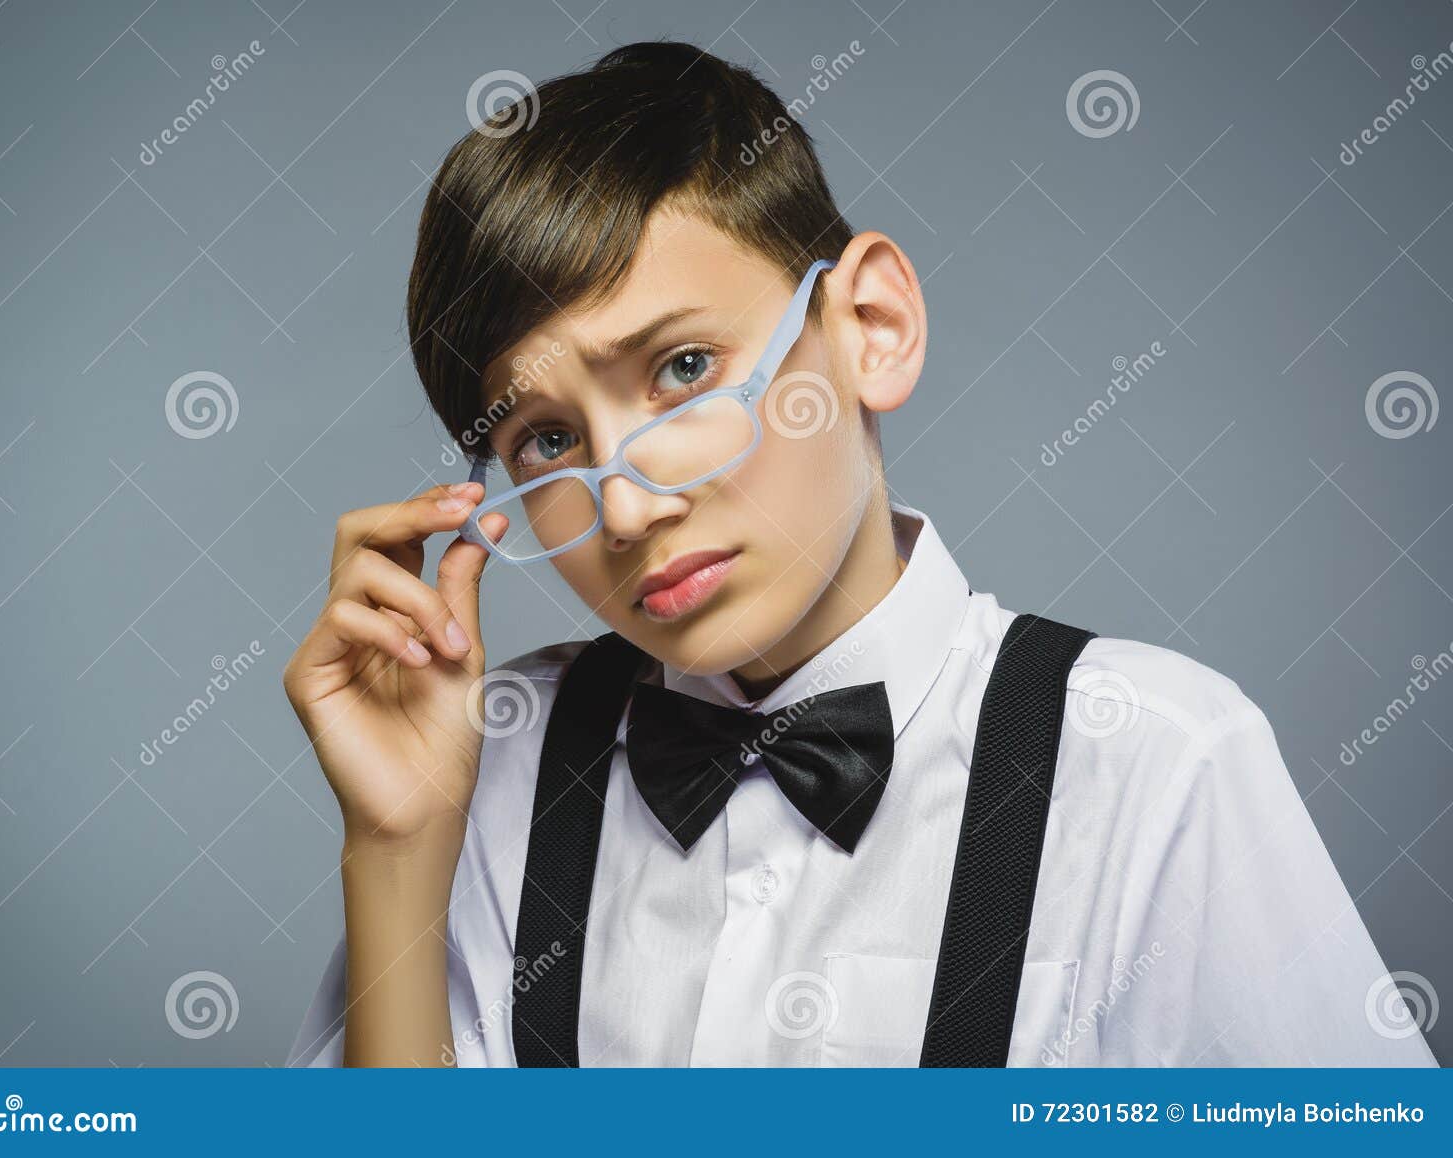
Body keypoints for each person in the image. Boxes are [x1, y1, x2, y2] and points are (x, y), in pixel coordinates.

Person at [283, 41, 1436, 1067]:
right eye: (545, 438)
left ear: (869, 328)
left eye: (683, 369)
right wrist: (397, 848)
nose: (626, 510)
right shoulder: (500, 761)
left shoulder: (1152, 762)